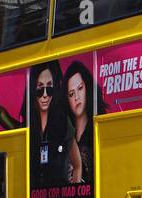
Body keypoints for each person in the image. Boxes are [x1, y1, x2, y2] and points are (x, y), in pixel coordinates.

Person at [29, 60, 69, 189]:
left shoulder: (63, 122)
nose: (45, 95)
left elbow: (77, 163)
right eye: (40, 89)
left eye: (49, 88)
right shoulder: (28, 126)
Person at [64, 60, 96, 186]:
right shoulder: (65, 134)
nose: (77, 97)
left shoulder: (95, 129)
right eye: (71, 94)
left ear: (87, 88)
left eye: (80, 88)